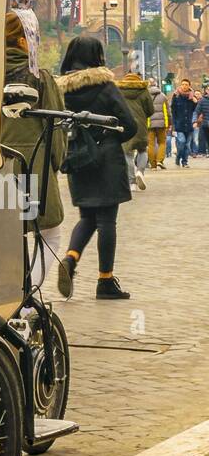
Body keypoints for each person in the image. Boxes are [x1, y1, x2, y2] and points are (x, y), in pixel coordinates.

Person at [56, 36, 138, 302]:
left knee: (87, 217)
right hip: (105, 159)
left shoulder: (61, 90)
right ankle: (105, 280)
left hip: (78, 158)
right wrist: (112, 142)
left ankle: (70, 258)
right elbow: (129, 123)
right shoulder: (105, 87)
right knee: (106, 220)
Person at [0, 13, 66, 291]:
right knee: (49, 234)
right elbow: (57, 126)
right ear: (22, 40)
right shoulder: (40, 76)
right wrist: (55, 161)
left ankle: (3, 294)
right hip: (34, 162)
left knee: (3, 233)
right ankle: (27, 297)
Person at [117, 70, 153, 191]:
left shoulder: (119, 91)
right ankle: (140, 172)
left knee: (127, 153)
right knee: (142, 150)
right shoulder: (143, 90)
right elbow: (150, 110)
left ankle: (132, 182)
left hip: (125, 124)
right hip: (141, 125)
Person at [170, 78, 196, 168]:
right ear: (181, 85)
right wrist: (173, 124)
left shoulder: (192, 97)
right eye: (183, 84)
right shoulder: (176, 96)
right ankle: (178, 157)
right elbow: (173, 110)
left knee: (187, 145)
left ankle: (185, 162)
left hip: (189, 124)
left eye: (186, 84)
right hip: (179, 124)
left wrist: (196, 103)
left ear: (189, 86)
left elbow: (195, 110)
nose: (184, 86)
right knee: (182, 142)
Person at [147, 77, 169, 170]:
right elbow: (167, 111)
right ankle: (160, 160)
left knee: (150, 144)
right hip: (161, 123)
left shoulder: (145, 95)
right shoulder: (163, 96)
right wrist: (169, 123)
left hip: (149, 123)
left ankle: (153, 165)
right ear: (156, 85)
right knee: (162, 143)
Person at [194, 84, 209, 158]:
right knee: (205, 138)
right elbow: (196, 111)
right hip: (206, 123)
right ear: (206, 91)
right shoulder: (202, 100)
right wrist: (194, 121)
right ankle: (203, 151)